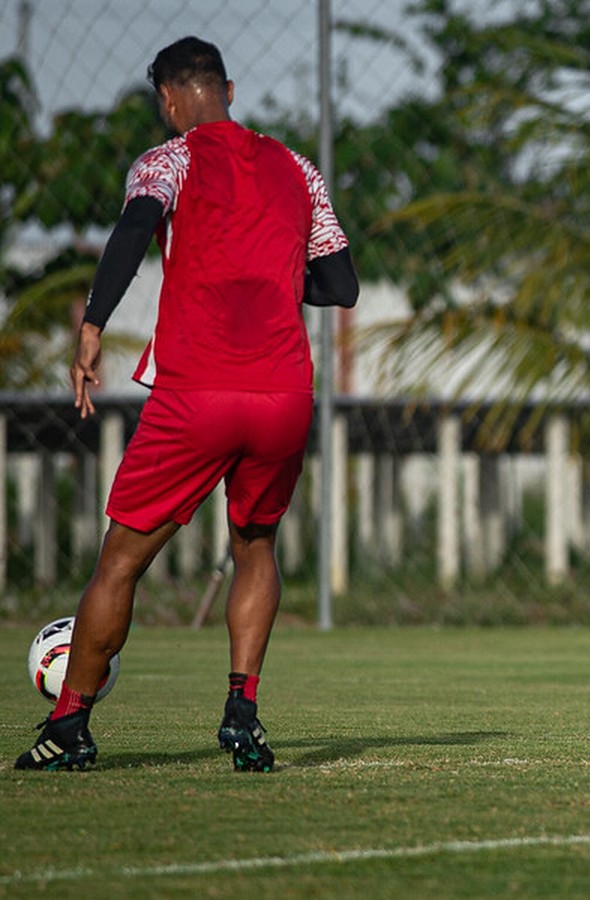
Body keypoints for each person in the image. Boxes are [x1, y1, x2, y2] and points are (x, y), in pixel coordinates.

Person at [16, 36, 359, 772]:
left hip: (197, 391)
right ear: (227, 90)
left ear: (169, 101)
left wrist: (92, 326)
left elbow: (134, 231)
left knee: (120, 563)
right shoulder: (298, 169)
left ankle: (70, 725)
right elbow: (340, 287)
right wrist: (264, 273)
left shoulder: (167, 159)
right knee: (255, 545)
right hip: (282, 395)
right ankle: (243, 712)